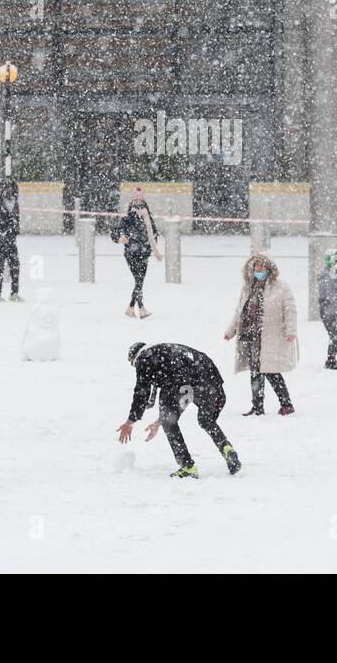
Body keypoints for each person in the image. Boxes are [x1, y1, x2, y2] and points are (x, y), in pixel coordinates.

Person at [117, 342, 241, 479]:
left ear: (135, 356)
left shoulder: (144, 357)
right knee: (206, 420)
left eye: (132, 363)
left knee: (169, 423)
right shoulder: (168, 350)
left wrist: (130, 421)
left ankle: (188, 466)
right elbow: (186, 393)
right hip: (207, 373)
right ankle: (226, 448)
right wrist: (160, 421)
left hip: (180, 379)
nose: (135, 366)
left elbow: (142, 391)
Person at [224, 253, 298, 416]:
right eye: (256, 266)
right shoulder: (248, 287)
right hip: (251, 336)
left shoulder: (281, 287)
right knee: (255, 372)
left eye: (263, 266)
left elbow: (289, 310)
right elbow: (239, 312)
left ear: (270, 268)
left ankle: (286, 404)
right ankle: (257, 406)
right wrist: (231, 331)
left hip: (271, 336)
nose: (259, 269)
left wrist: (291, 331)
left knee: (271, 371)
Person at [111, 187, 162, 318]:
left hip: (144, 253)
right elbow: (114, 232)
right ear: (132, 203)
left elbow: (154, 234)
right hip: (132, 253)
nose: (138, 203)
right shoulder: (128, 218)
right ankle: (139, 308)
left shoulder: (148, 218)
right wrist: (119, 239)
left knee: (139, 282)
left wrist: (153, 249)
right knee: (139, 282)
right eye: (136, 200)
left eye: (141, 200)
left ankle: (133, 308)